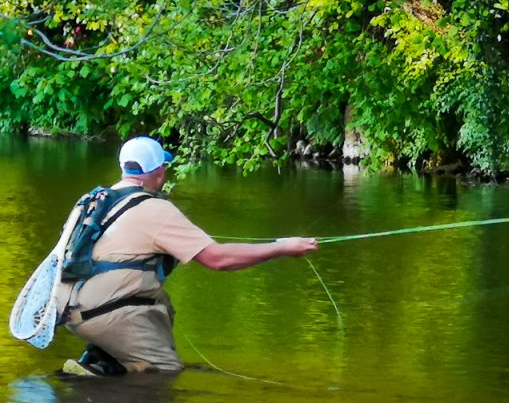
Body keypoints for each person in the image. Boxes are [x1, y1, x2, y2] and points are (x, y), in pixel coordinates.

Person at [59, 136, 318, 377]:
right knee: (162, 374)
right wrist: (281, 247)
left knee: (161, 303)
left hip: (69, 311)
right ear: (160, 172)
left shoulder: (92, 202)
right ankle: (102, 381)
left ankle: (102, 363)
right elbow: (218, 259)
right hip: (105, 314)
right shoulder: (154, 208)